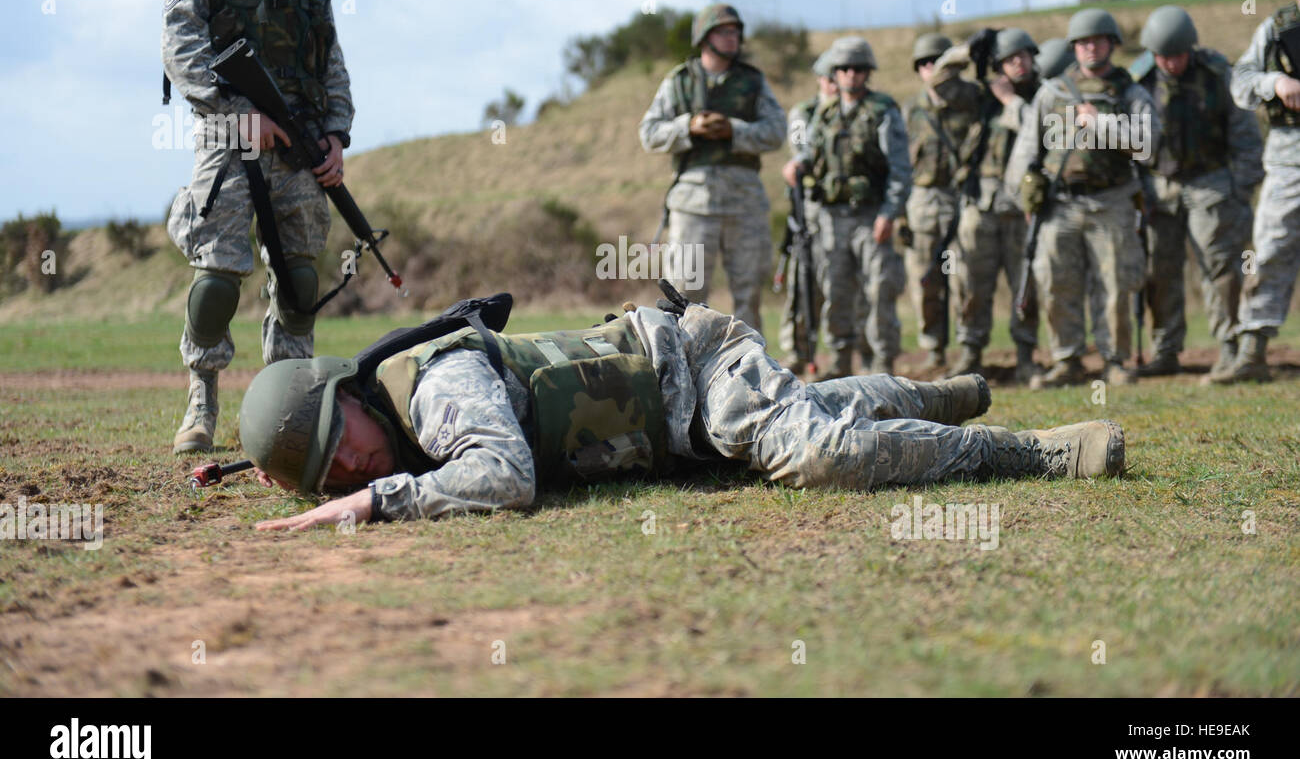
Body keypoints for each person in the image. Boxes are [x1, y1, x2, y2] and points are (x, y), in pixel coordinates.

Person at [238, 287, 1126, 531]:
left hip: (696, 368)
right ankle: (935, 396)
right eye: (332, 474)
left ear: (350, 396)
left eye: (342, 447)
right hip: (687, 429)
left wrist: (376, 502)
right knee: (813, 413)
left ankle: (1037, 452)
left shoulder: (433, 388)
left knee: (820, 456)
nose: (355, 466)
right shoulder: (389, 425)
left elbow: (504, 479)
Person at [163, 0, 353, 453]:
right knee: (217, 280)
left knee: (300, 282)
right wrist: (241, 115)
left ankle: (285, 405)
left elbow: (330, 53)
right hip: (227, 138)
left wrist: (335, 134)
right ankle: (202, 398)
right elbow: (181, 49)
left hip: (297, 140)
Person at [1005, 8, 1159, 388]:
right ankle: (1067, 360)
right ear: (1074, 47)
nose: (1090, 48)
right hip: (1060, 205)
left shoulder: (1131, 91)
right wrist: (1026, 194)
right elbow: (1025, 151)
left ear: (1112, 44)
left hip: (1113, 201)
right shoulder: (1052, 92)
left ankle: (1116, 361)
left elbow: (1148, 146)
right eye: (1083, 42)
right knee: (1056, 282)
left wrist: (1100, 123)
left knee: (1116, 285)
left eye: (1098, 40)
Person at [1130, 6, 1263, 378]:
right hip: (1158, 185)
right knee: (1159, 268)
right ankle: (1166, 351)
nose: (1170, 63)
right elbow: (1127, 144)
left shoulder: (1218, 75)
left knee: (1219, 265)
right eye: (1162, 56)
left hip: (1212, 182)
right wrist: (1136, 193)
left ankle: (1229, 347)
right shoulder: (1138, 82)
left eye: (1177, 55)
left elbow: (1247, 137)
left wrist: (1240, 189)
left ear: (1191, 48)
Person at [638, 4, 786, 333]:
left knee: (749, 296)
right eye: (724, 32)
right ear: (705, 38)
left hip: (745, 202)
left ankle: (752, 373)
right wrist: (689, 127)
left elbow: (777, 130)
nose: (733, 38)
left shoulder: (752, 82)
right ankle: (683, 376)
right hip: (693, 203)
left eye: (736, 32)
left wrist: (734, 130)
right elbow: (648, 133)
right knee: (684, 299)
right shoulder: (678, 82)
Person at [796, 37, 910, 379]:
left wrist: (889, 213)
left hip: (870, 214)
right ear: (835, 72)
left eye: (858, 69)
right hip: (831, 218)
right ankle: (840, 362)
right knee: (835, 290)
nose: (850, 75)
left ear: (867, 73)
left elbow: (900, 168)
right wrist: (798, 165)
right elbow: (811, 154)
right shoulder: (825, 113)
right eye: (844, 69)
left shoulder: (882, 111)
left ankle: (881, 363)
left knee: (879, 290)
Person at [1214, 0, 1300, 383]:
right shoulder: (1277, 29)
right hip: (1290, 160)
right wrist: (1275, 84)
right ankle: (1252, 350)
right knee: (1270, 248)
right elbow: (1240, 79)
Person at [949, 28, 1043, 383]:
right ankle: (971, 354)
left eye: (1024, 56)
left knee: (1025, 286)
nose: (1019, 63)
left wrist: (1009, 102)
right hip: (982, 205)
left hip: (1023, 206)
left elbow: (1040, 131)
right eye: (1009, 59)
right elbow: (940, 84)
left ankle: (1025, 357)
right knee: (972, 284)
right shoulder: (979, 96)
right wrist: (964, 51)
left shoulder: (1043, 94)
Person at [903, 32, 984, 372]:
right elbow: (900, 163)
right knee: (924, 279)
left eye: (936, 61)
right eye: (923, 63)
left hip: (964, 196)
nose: (930, 68)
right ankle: (933, 348)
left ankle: (969, 347)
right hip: (923, 199)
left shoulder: (971, 100)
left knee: (963, 274)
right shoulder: (911, 110)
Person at [777, 49, 836, 373]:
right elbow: (801, 153)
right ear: (820, 80)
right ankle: (797, 350)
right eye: (829, 79)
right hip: (810, 208)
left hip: (843, 209)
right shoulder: (805, 112)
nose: (835, 86)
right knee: (803, 280)